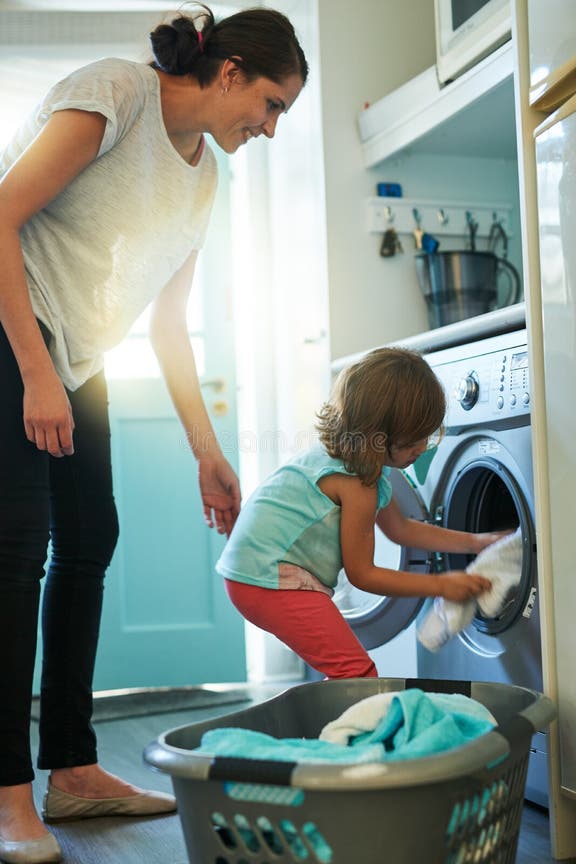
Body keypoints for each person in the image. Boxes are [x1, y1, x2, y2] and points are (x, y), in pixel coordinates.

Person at [0, 3, 308, 861]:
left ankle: (70, 770)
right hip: (12, 323)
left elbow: (170, 326)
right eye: (274, 104)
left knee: (89, 536)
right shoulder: (116, 94)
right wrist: (31, 371)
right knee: (16, 549)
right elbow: (0, 216)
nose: (272, 128)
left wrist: (208, 455)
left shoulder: (205, 177)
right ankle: (6, 796)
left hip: (75, 351)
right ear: (231, 72)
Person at [217, 347, 501, 681]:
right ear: (376, 435)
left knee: (348, 672)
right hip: (266, 577)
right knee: (356, 675)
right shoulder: (356, 484)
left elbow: (402, 529)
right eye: (414, 438)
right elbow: (363, 575)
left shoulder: (356, 461)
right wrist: (441, 584)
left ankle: (329, 729)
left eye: (426, 434)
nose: (422, 447)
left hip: (254, 571)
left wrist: (477, 542)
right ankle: (334, 732)